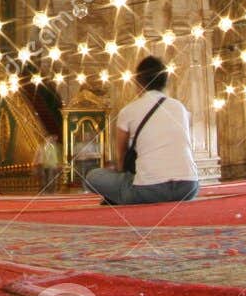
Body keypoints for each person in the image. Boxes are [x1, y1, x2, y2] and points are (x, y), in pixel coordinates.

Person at [82, 56, 200, 207]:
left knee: (92, 176)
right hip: (189, 188)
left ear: (138, 83)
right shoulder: (180, 108)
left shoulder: (128, 111)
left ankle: (120, 196)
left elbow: (121, 157)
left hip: (149, 190)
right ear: (165, 83)